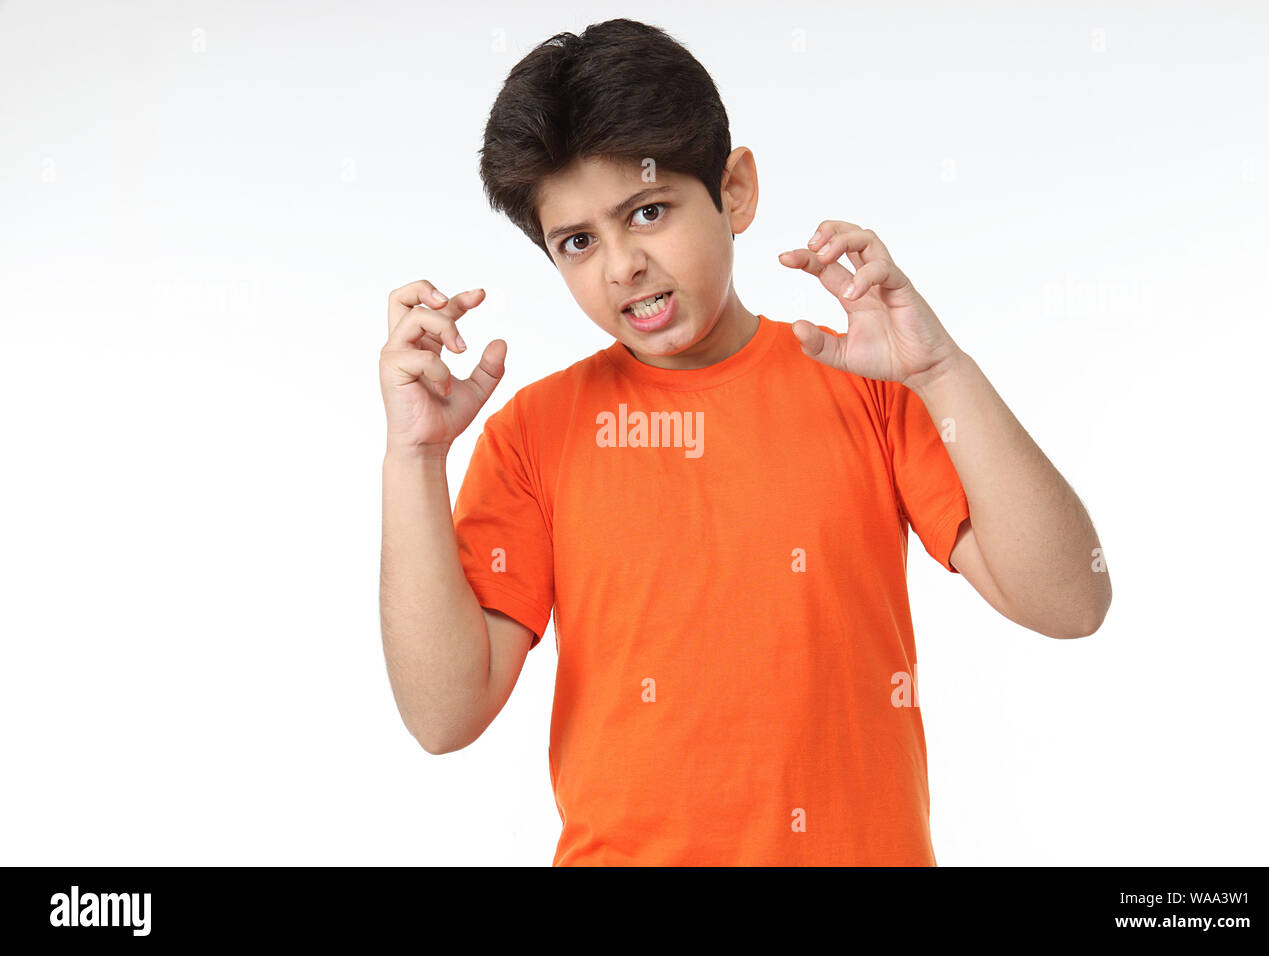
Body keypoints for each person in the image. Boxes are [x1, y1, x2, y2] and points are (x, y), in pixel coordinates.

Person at [377, 18, 1111, 866]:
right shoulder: (534, 435)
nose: (622, 266)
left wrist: (939, 371)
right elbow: (443, 717)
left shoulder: (867, 387)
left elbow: (1072, 603)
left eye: (647, 211)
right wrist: (416, 457)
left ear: (735, 192)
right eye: (577, 241)